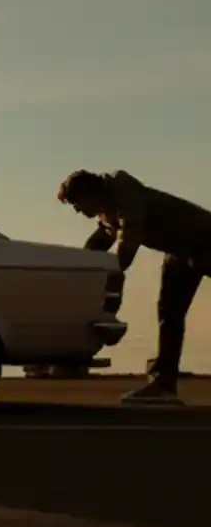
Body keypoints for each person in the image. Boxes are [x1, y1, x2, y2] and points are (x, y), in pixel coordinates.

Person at [58, 169, 211, 405]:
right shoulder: (107, 207)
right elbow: (100, 243)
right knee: (169, 314)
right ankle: (164, 385)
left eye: (77, 204)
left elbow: (130, 233)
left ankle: (164, 382)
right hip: (181, 250)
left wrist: (114, 275)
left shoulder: (123, 191)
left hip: (204, 239)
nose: (78, 211)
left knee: (170, 313)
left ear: (91, 193)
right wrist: (78, 270)